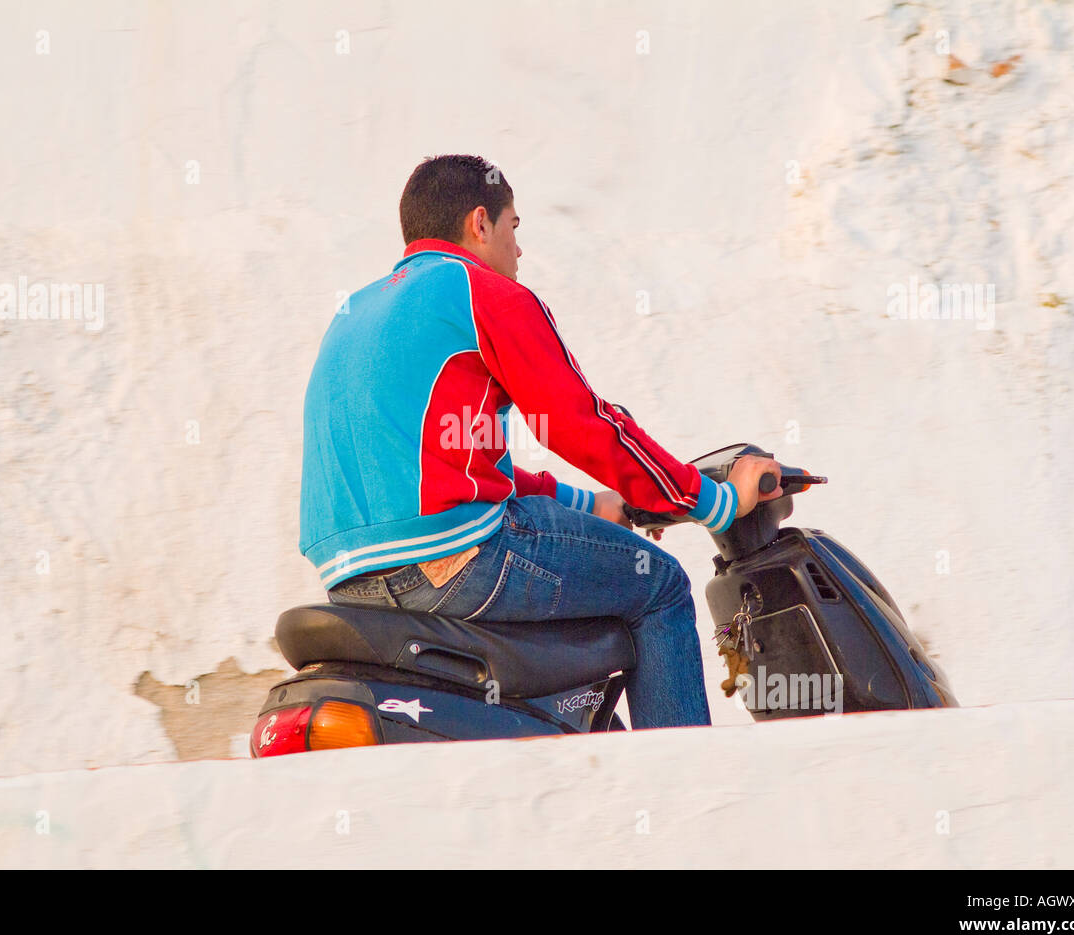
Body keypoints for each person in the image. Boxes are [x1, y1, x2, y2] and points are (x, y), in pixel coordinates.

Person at [298, 154, 781, 728]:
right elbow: (583, 423)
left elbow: (461, 459)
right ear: (481, 223)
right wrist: (716, 501)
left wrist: (593, 504)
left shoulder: (355, 312)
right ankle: (682, 783)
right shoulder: (483, 293)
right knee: (660, 587)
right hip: (455, 559)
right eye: (514, 228)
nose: (519, 250)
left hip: (349, 581)